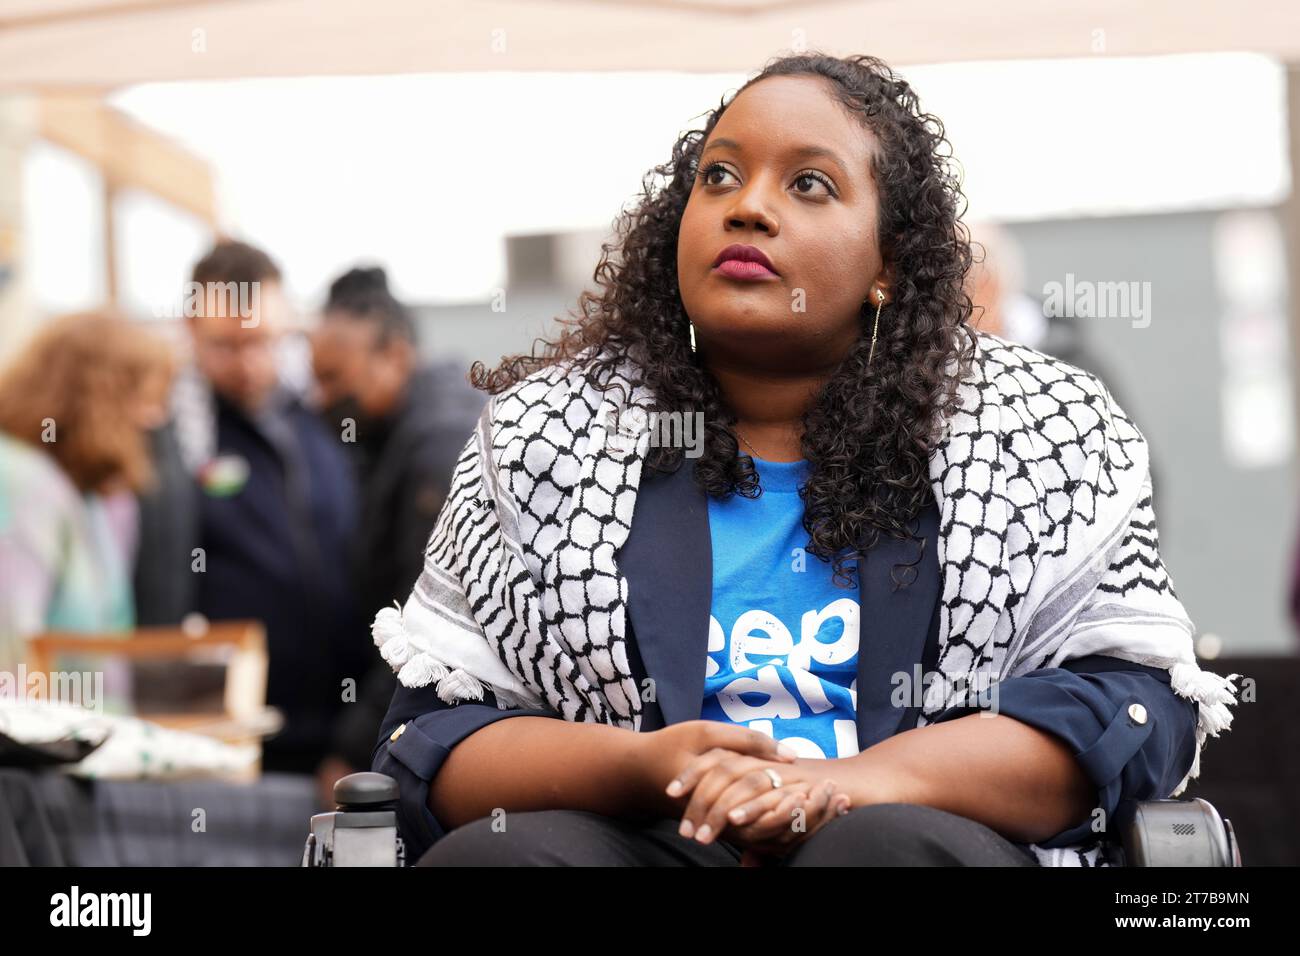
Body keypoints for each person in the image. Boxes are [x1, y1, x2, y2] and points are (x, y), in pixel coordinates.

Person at [371, 52, 1239, 867]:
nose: (746, 205)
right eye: (719, 175)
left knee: (880, 853)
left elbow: (1126, 712)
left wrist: (848, 786)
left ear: (887, 263)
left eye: (809, 184)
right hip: (641, 833)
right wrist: (645, 766)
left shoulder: (1040, 430)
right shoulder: (543, 438)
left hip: (914, 834)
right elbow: (435, 737)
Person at [150, 240, 368, 775]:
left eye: (264, 342)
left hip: (349, 733)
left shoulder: (327, 421)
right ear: (189, 329)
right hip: (231, 743)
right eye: (226, 345)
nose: (248, 363)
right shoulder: (172, 438)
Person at [309, 266, 485, 788]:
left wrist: (351, 747)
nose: (321, 399)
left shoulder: (435, 447)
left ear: (396, 355)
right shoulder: (395, 438)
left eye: (333, 378)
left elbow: (423, 623)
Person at [0, 311, 174, 691]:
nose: (154, 418)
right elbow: (9, 658)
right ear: (98, 400)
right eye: (144, 399)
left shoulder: (89, 496)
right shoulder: (21, 483)